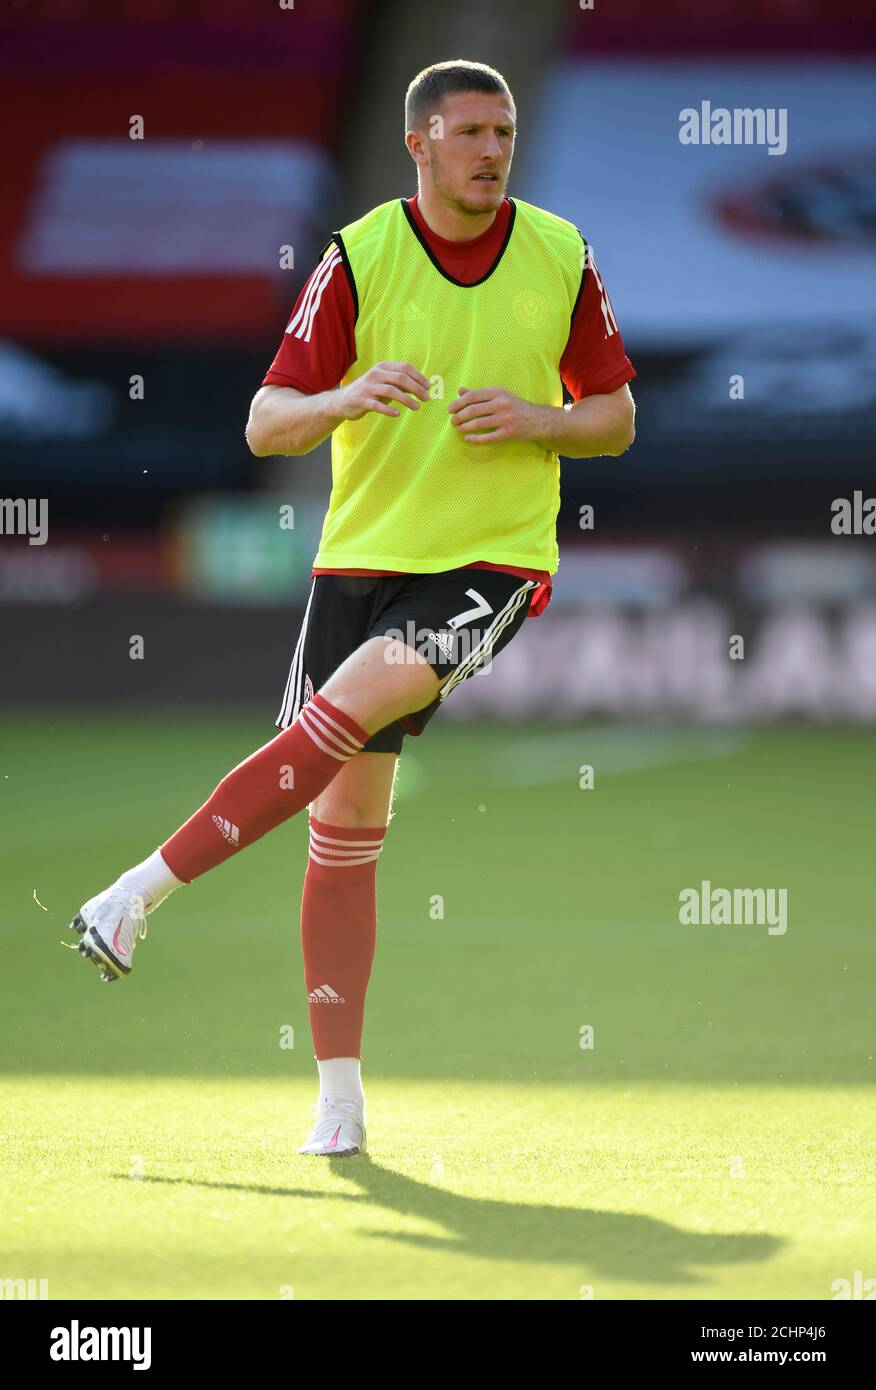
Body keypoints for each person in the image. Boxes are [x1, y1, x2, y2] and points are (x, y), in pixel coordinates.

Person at [68, 59, 636, 1157]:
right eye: (468, 131)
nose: (491, 150)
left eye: (503, 131)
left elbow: (613, 414)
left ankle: (137, 890)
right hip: (359, 562)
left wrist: (537, 417)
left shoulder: (560, 253)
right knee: (343, 831)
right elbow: (265, 423)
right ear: (418, 143)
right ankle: (340, 1099)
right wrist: (343, 397)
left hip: (492, 562)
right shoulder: (359, 256)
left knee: (347, 710)